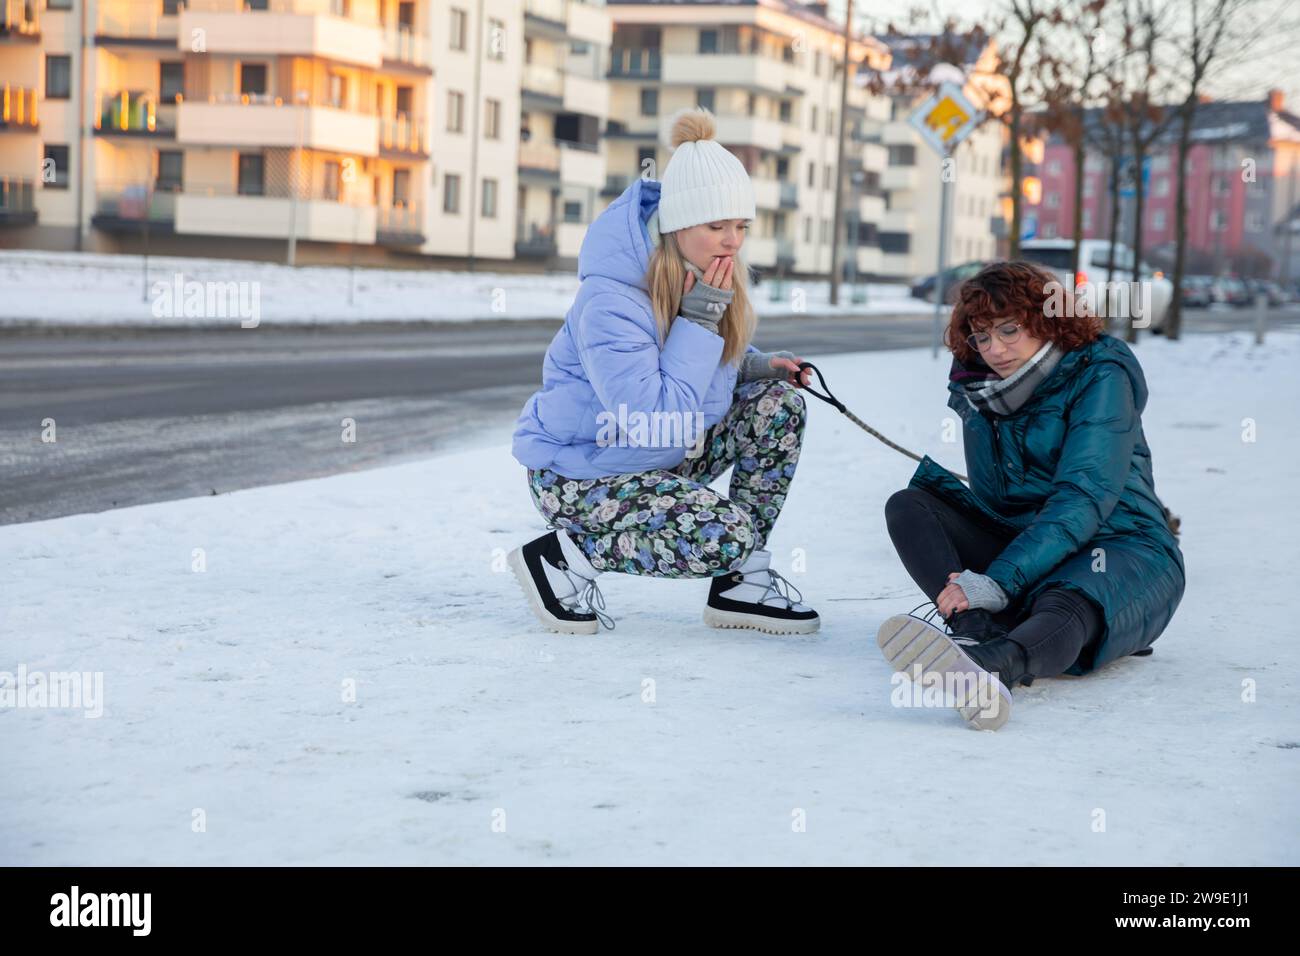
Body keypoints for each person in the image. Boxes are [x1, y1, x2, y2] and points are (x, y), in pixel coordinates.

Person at [509, 108, 819, 636]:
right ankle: (562, 558)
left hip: (660, 460)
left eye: (741, 226)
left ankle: (739, 585)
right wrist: (703, 315)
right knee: (725, 536)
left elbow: (688, 368)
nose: (732, 241)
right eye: (716, 225)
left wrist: (756, 368)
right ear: (676, 227)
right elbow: (653, 414)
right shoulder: (609, 302)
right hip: (584, 476)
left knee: (777, 407)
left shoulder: (695, 277)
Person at [877, 261, 1185, 730]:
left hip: (1121, 545)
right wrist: (987, 582)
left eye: (1009, 330)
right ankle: (972, 636)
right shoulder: (980, 392)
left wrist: (997, 581)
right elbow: (997, 501)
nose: (995, 349)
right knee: (910, 505)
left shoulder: (1100, 374)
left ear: (1046, 321)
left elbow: (1083, 497)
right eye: (982, 337)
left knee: (1071, 594)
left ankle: (994, 665)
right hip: (1031, 547)